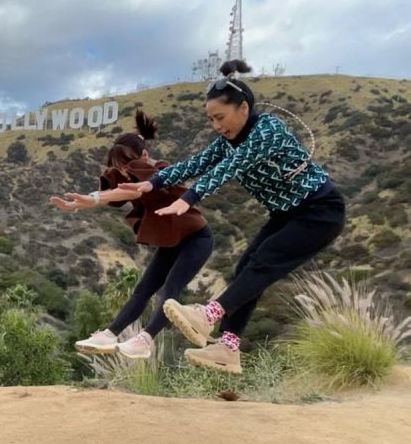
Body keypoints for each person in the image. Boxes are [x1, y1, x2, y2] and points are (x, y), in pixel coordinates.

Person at [119, 60, 345, 374]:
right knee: (245, 268)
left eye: (220, 117)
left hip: (320, 211)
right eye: (211, 119)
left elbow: (233, 166)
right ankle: (228, 348)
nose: (216, 125)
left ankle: (208, 314)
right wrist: (152, 182)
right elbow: (196, 163)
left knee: (262, 262)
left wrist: (190, 197)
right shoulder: (227, 141)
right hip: (285, 213)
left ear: (243, 108)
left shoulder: (268, 130)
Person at [50, 110, 213, 359]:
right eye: (120, 167)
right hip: (170, 242)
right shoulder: (133, 177)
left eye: (128, 164)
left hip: (196, 240)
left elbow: (131, 193)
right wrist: (77, 204)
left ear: (145, 155)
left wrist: (93, 199)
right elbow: (117, 191)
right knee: (143, 289)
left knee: (170, 291)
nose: (125, 171)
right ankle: (110, 334)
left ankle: (145, 340)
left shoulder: (162, 171)